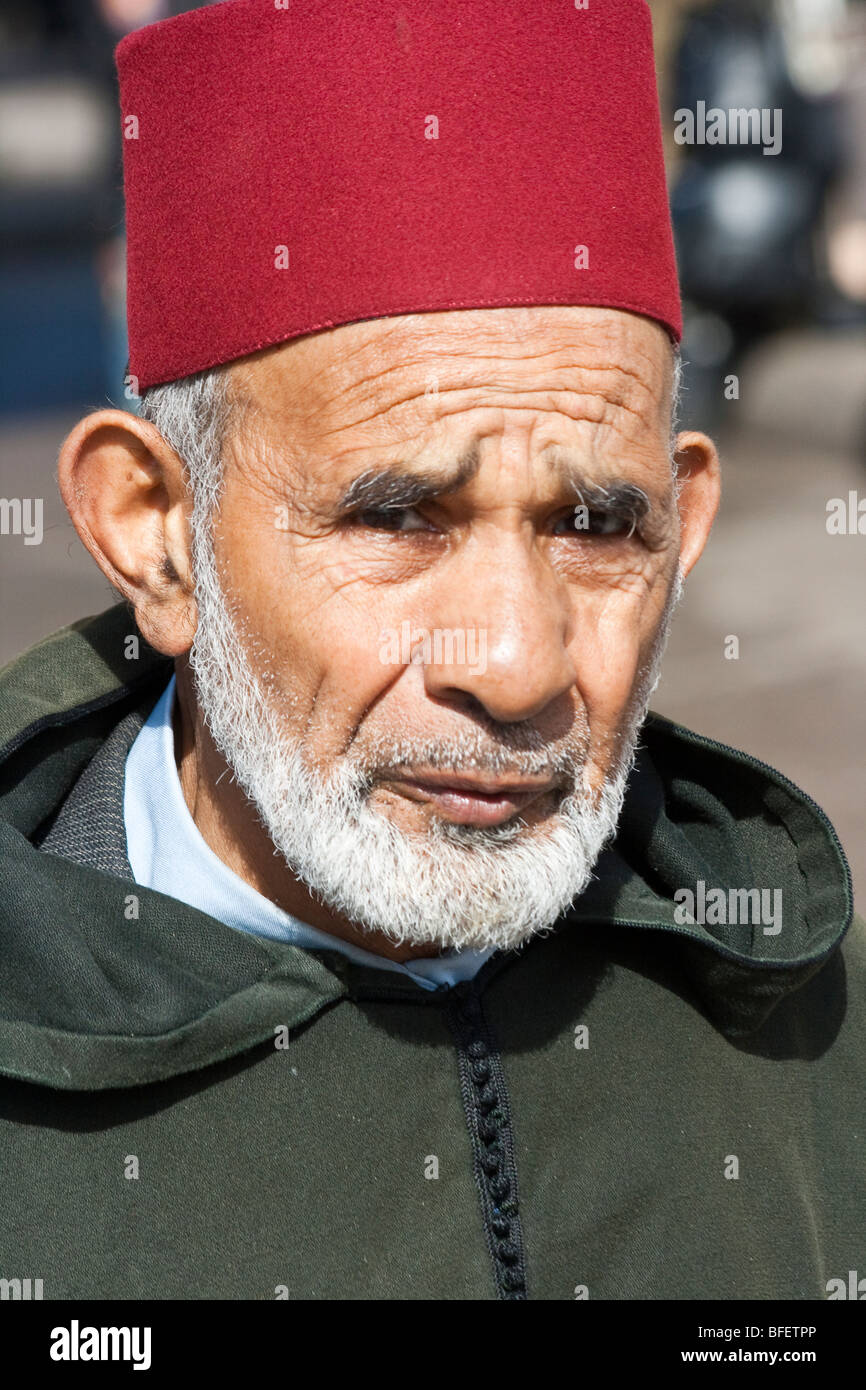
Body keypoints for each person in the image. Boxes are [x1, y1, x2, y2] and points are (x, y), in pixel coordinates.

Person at [0, 0, 861, 1301]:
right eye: (396, 517)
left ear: (680, 528)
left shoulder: (803, 1016)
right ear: (156, 532)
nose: (517, 666)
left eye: (592, 524)